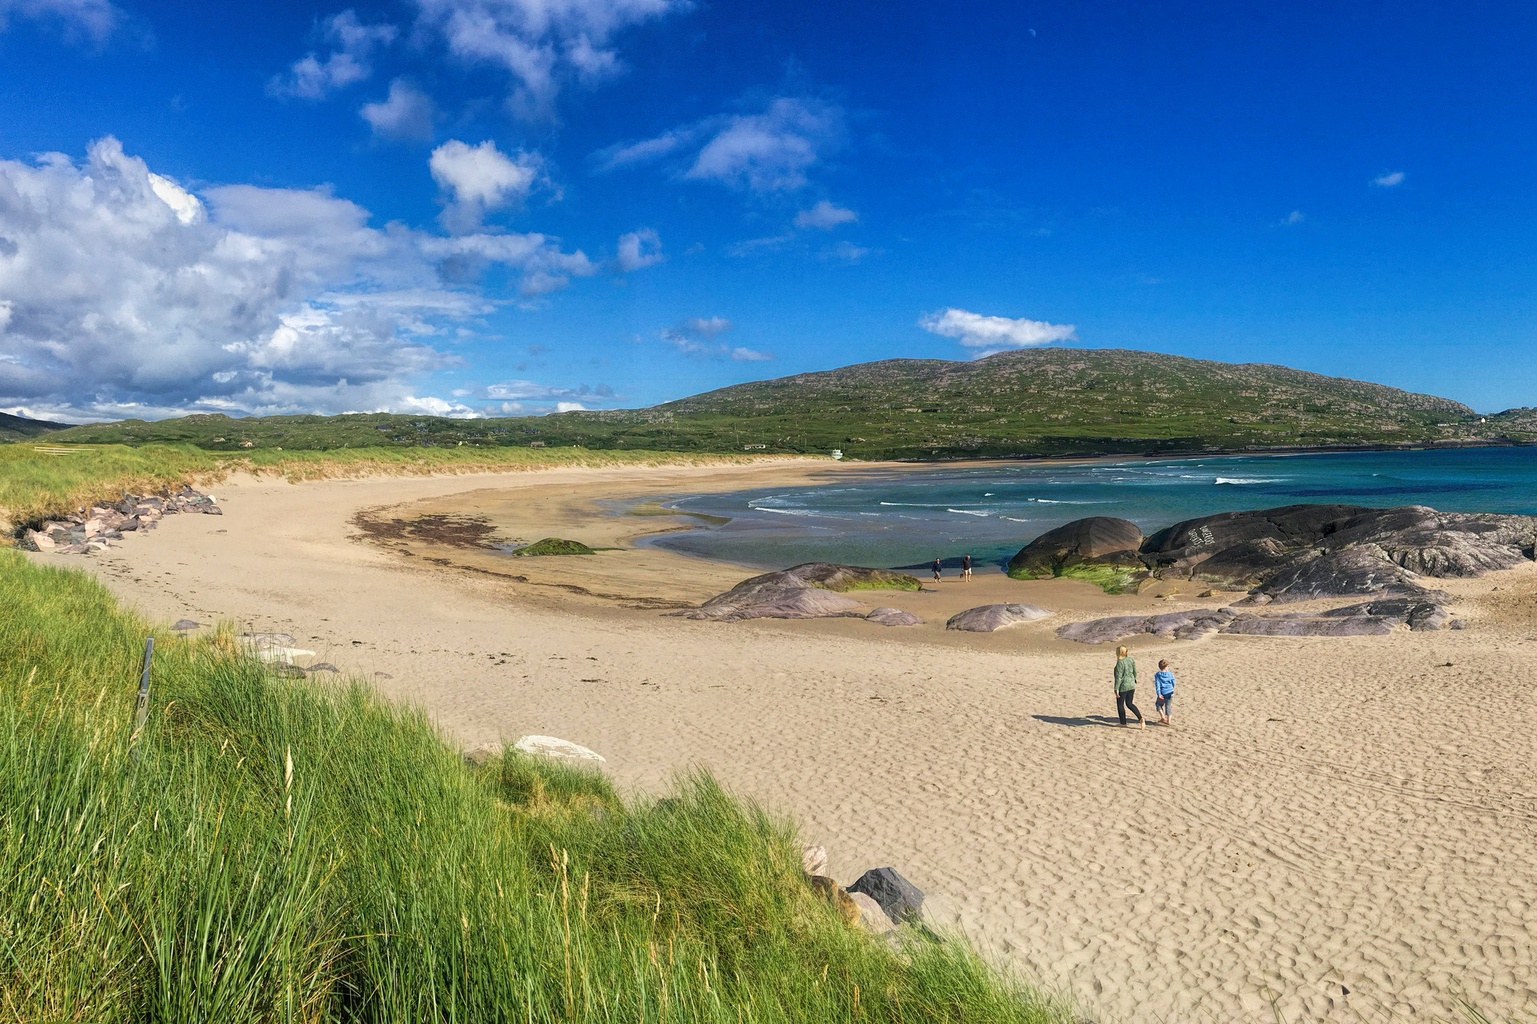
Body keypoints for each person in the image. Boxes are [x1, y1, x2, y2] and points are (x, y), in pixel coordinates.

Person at [1113, 645, 1144, 730]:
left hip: (1123, 686)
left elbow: (1118, 677)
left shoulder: (1120, 662)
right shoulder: (1130, 659)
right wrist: (1134, 678)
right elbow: (1134, 671)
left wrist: (1116, 689)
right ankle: (1141, 718)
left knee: (1120, 704)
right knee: (1129, 703)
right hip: (1131, 684)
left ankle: (1123, 723)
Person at [1153, 659, 1176, 725]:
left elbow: (1157, 685)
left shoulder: (1157, 674)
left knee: (1158, 705)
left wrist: (1159, 693)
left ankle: (1163, 717)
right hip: (1170, 692)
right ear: (1166, 667)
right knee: (1168, 706)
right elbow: (1173, 682)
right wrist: (1172, 688)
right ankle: (1169, 721)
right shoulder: (1170, 674)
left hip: (1162, 692)